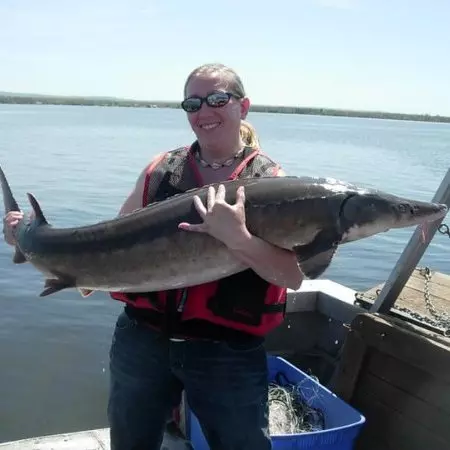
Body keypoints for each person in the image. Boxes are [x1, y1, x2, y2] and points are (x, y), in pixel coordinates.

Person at [3, 63, 304, 450]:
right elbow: (109, 242)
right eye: (192, 103)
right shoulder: (162, 170)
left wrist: (238, 237)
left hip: (225, 352)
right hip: (143, 340)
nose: (204, 111)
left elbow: (291, 277)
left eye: (217, 99)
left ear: (242, 107)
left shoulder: (273, 185)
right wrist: (25, 238)